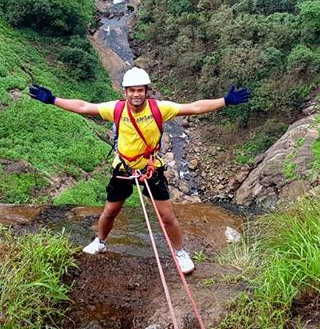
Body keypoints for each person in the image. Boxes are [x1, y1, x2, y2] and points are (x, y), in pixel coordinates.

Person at [28, 67, 250, 274]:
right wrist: (53, 100)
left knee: (166, 216)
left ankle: (180, 252)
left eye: (140, 90)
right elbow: (84, 107)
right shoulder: (116, 109)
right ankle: (100, 242)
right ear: (125, 92)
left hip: (150, 168)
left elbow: (193, 108)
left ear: (146, 91)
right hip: (123, 168)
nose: (136, 94)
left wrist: (225, 101)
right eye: (132, 90)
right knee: (110, 211)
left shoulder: (159, 109)